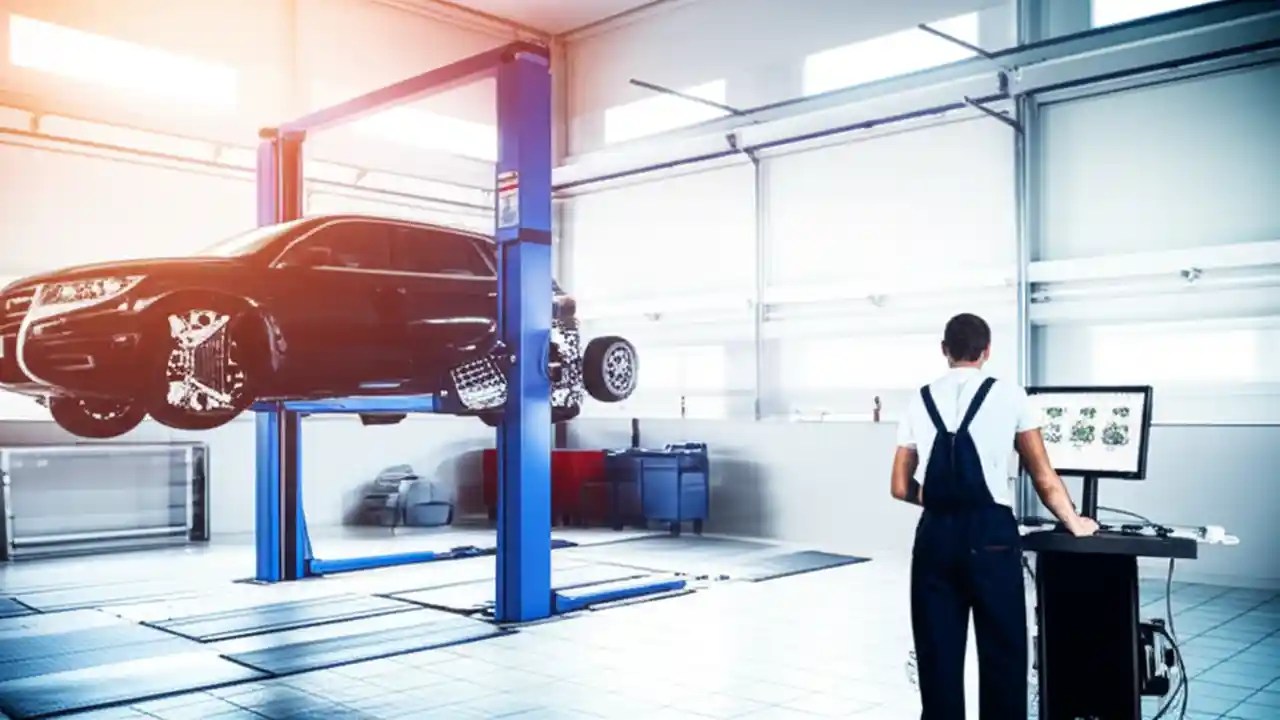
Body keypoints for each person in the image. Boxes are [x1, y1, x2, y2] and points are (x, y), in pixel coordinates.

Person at [890, 313, 1098, 719]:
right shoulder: (1011, 396)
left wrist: (940, 499)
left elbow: (899, 486)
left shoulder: (919, 399)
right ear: (986, 351)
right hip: (992, 538)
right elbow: (1044, 478)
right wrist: (1076, 522)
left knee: (938, 663)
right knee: (1003, 658)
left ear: (944, 350)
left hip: (934, 538)